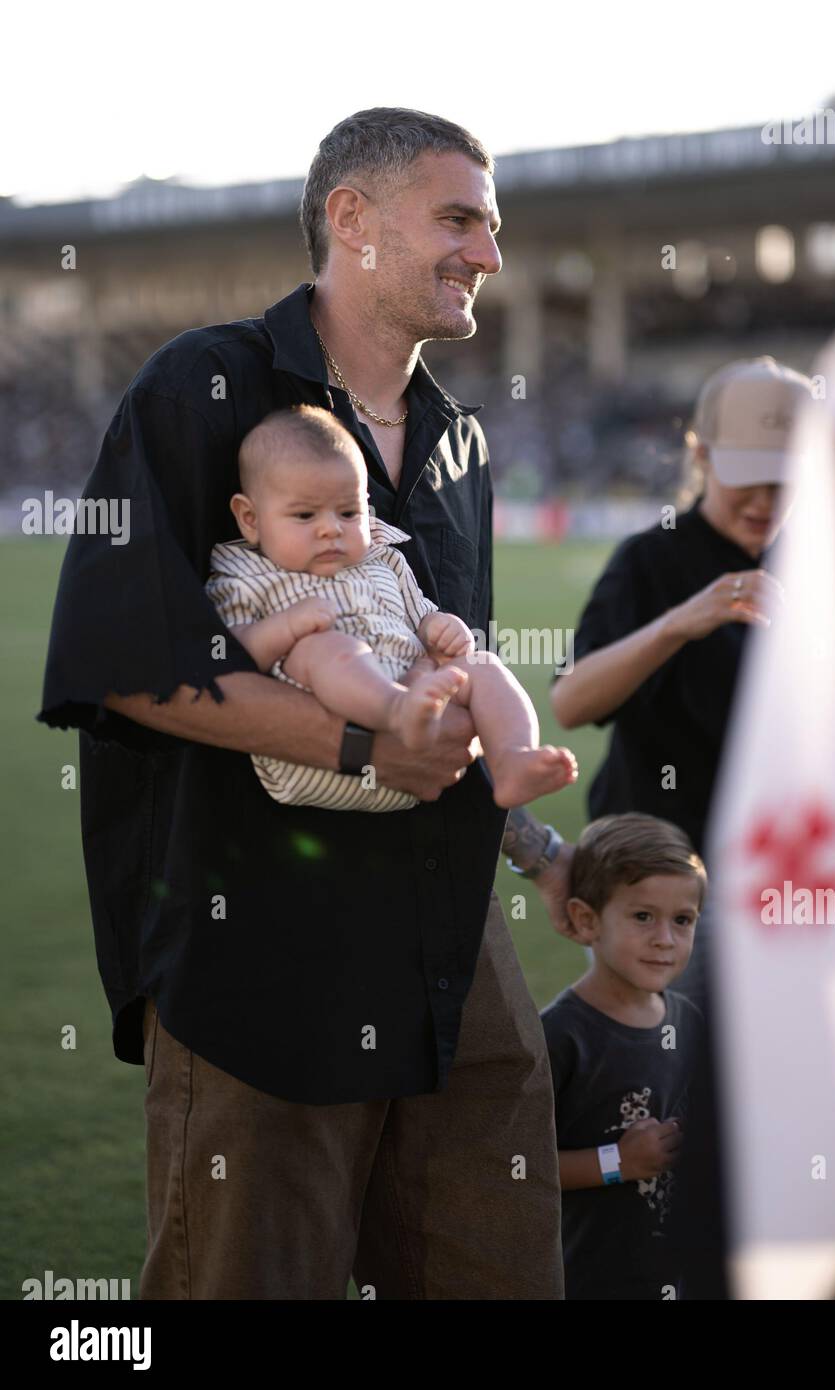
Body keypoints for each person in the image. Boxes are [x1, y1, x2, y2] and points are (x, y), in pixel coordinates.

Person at [38, 107, 567, 1300]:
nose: (488, 253)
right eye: (458, 220)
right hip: (259, 965)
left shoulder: (458, 441)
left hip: (457, 959)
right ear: (352, 221)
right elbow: (118, 658)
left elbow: (446, 670)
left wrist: (534, 843)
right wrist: (358, 741)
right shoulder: (201, 384)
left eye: (491, 227)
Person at [548, 357, 814, 1005]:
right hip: (660, 881)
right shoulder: (653, 558)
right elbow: (571, 701)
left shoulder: (817, 561)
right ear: (700, 453)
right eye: (747, 478)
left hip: (783, 868)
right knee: (669, 1077)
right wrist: (679, 623)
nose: (764, 501)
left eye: (785, 482)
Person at [207, 404, 577, 810]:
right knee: (328, 649)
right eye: (305, 514)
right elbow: (228, 658)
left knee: (484, 663)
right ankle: (399, 711)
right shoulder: (244, 570)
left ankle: (512, 760)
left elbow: (420, 619)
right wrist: (286, 629)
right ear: (250, 519)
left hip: (418, 736)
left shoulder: (384, 559)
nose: (331, 527)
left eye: (348, 512)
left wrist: (440, 626)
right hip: (322, 752)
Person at [540, 814, 707, 1300]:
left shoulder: (686, 1019)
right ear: (586, 918)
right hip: (591, 1278)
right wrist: (617, 1162)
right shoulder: (560, 1037)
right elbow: (514, 1168)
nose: (664, 939)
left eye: (683, 920)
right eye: (642, 916)